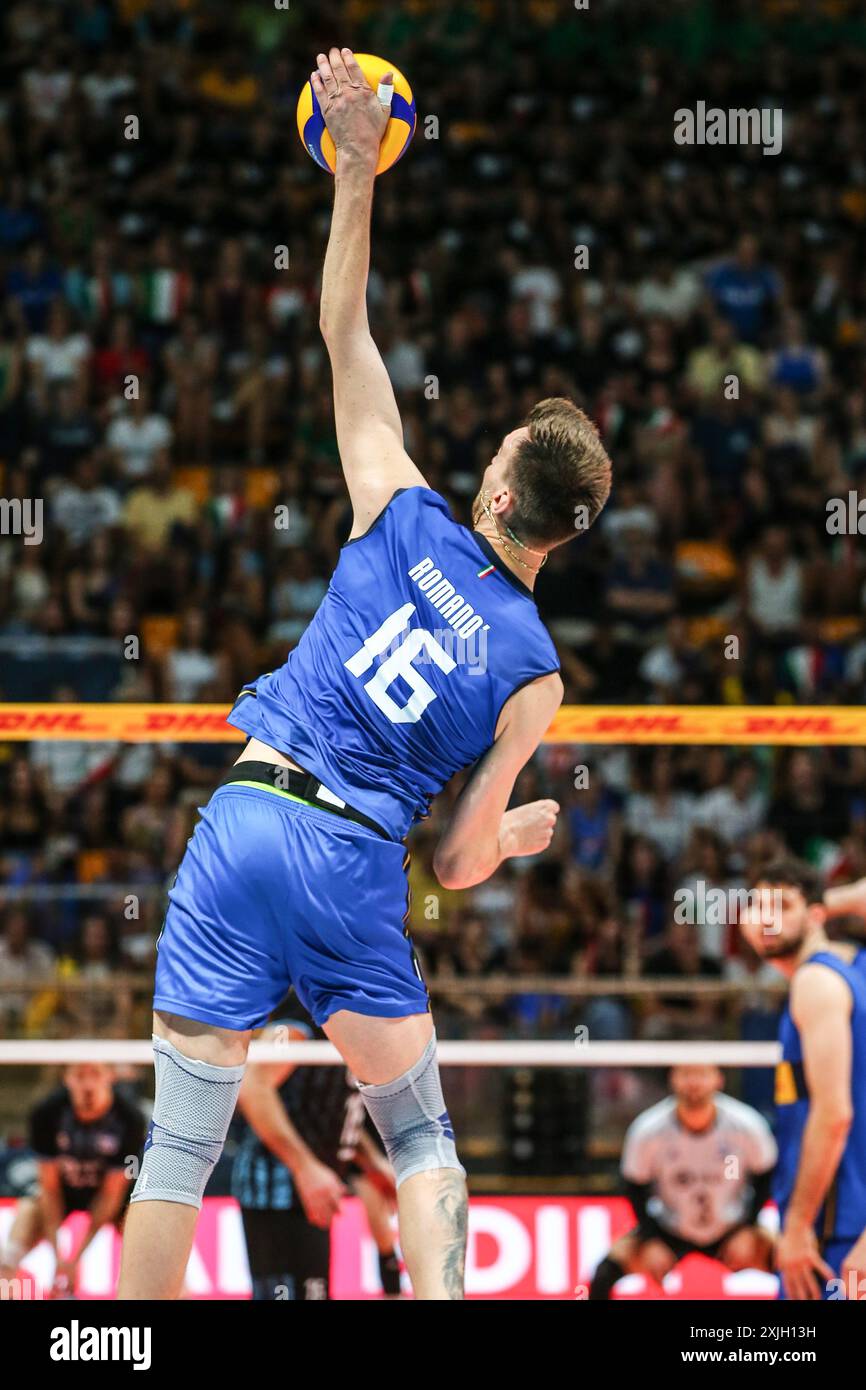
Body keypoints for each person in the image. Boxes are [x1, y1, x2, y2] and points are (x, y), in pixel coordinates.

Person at [117, 47, 612, 1302]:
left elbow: (343, 323)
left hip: (248, 817)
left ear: (498, 492)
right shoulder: (536, 677)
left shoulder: (399, 501)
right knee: (421, 1136)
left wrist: (351, 166)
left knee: (179, 1149)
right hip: (349, 867)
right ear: (552, 533)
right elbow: (453, 866)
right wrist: (520, 836)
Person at [740, 857, 866, 1299]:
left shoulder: (817, 982)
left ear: (817, 915)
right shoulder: (851, 972)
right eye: (756, 905)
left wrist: (794, 1228)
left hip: (837, 1233)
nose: (766, 917)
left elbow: (835, 1115)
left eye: (783, 905)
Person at [232, 1000, 400, 1301]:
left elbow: (335, 1108)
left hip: (315, 1195)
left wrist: (373, 1163)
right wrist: (304, 1167)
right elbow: (254, 1085)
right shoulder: (301, 1014)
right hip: (276, 1192)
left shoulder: (354, 1016)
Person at [589, 1064, 776, 1299]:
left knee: (790, 1259)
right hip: (669, 1228)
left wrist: (749, 1228)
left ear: (718, 1079)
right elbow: (634, 1187)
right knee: (605, 1273)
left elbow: (766, 1176)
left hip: (733, 1225)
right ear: (672, 1079)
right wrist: (651, 1238)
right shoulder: (648, 1130)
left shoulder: (746, 1125)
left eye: (701, 1074)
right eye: (686, 1074)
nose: (694, 1083)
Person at [0, 1062, 145, 1298]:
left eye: (95, 1074)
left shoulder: (130, 1117)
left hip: (113, 1195)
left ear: (109, 1076)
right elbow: (50, 1189)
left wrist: (76, 1259)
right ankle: (6, 1284)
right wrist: (58, 1259)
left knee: (144, 1230)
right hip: (65, 1188)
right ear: (66, 1078)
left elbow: (111, 1194)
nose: (88, 1084)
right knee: (27, 1212)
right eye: (79, 1075)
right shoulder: (47, 1113)